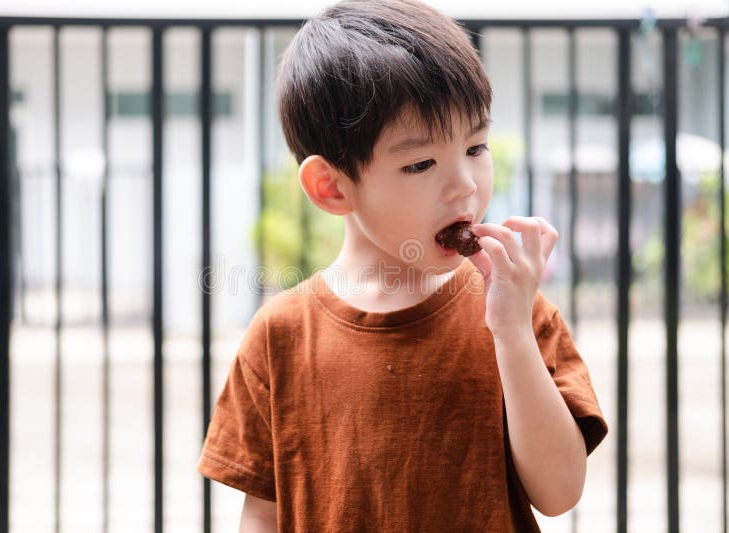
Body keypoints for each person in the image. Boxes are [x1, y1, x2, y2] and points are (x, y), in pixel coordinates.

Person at [198, 0, 608, 531]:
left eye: (476, 146)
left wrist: (511, 332)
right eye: (420, 162)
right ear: (332, 185)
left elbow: (558, 493)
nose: (464, 183)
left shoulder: (519, 313)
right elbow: (262, 514)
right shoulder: (280, 336)